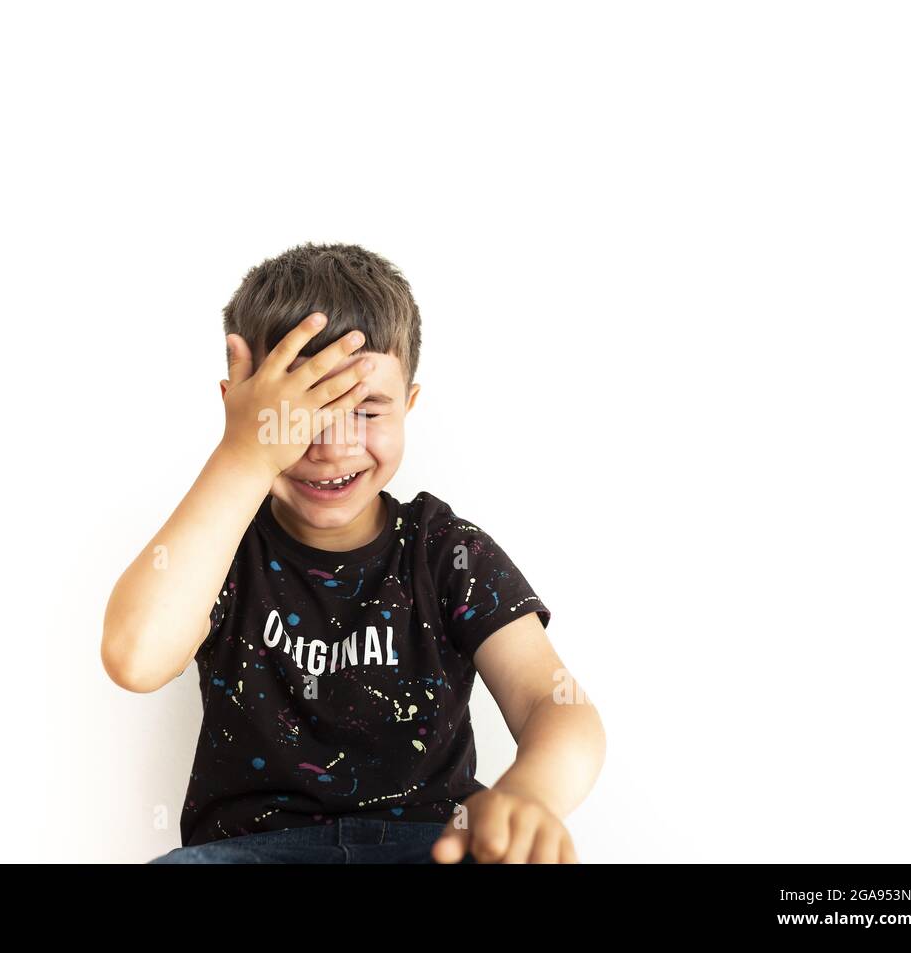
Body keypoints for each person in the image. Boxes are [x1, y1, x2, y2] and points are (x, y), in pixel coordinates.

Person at [102, 242, 605, 863]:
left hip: (430, 847)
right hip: (251, 853)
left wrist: (530, 795)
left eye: (367, 410)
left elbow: (553, 703)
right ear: (238, 408)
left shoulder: (447, 552)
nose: (333, 448)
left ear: (410, 407)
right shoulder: (220, 545)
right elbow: (135, 657)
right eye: (298, 416)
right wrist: (242, 455)